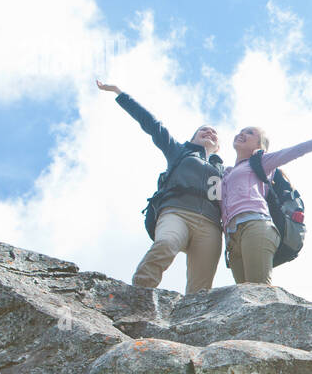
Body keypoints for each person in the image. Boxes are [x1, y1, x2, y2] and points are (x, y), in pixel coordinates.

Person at [96, 79, 225, 294]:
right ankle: (137, 295)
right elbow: (152, 124)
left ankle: (192, 323)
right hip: (177, 212)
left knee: (201, 288)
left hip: (210, 225)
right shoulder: (179, 152)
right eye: (204, 130)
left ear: (219, 146)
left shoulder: (222, 170)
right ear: (192, 137)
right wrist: (120, 93)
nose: (209, 133)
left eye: (214, 133)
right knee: (165, 244)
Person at [222, 124, 312, 285]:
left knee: (258, 291)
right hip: (231, 239)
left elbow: (299, 149)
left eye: (249, 133)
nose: (242, 134)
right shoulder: (226, 173)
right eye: (240, 132)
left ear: (259, 145)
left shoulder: (262, 161)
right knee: (243, 299)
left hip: (254, 225)